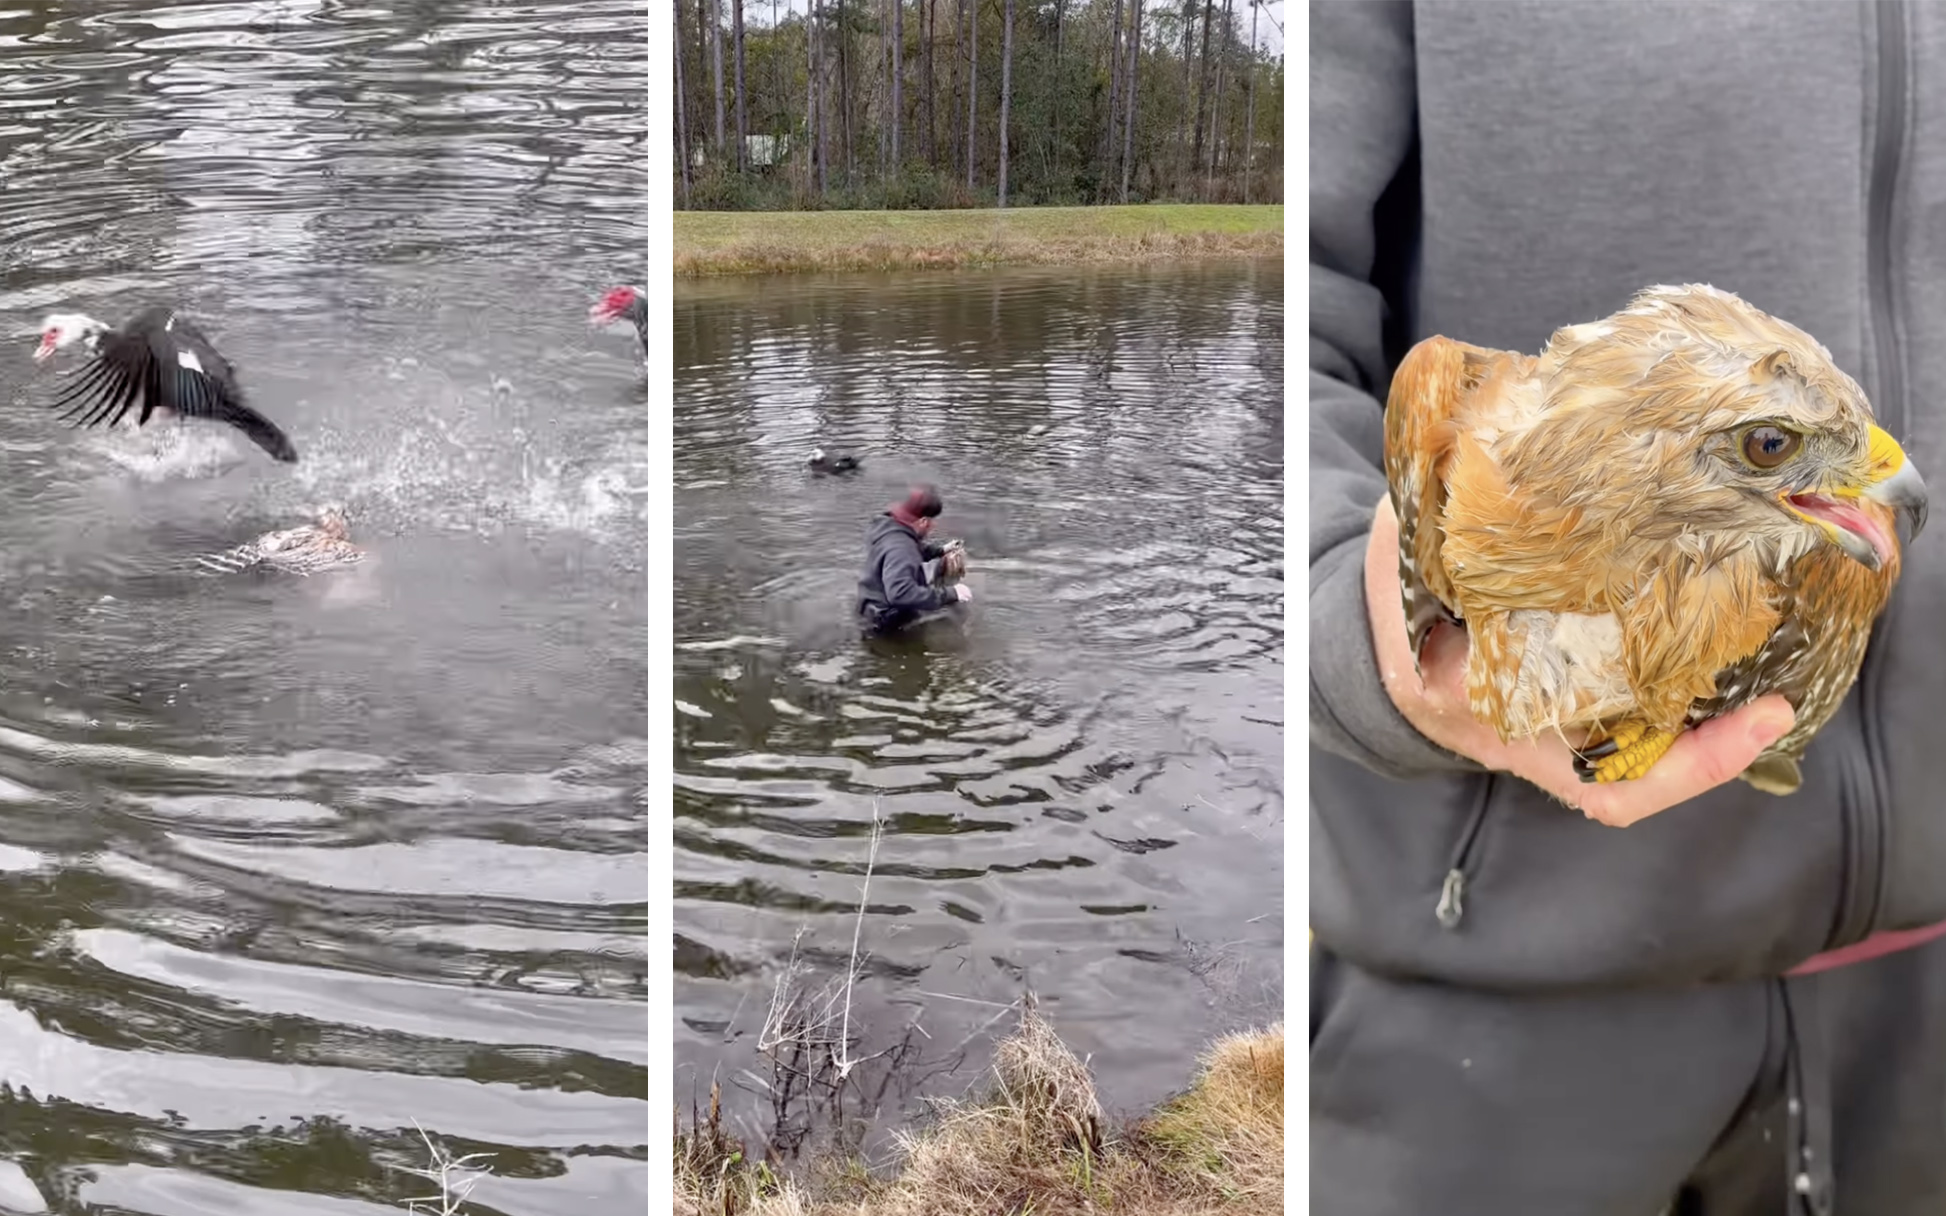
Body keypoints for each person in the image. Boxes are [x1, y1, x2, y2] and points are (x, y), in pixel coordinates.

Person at [1311, 4, 1946, 1214]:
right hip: (1489, 999)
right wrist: (1357, 626)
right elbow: (1279, 312)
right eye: (1772, 448)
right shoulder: (1461, 406)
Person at [857, 485, 971, 636]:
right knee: (952, 618)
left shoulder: (889, 530)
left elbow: (912, 549)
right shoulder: (901, 548)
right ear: (923, 521)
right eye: (932, 521)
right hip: (886, 621)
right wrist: (951, 594)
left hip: (870, 607)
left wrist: (941, 550)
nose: (933, 525)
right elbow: (901, 593)